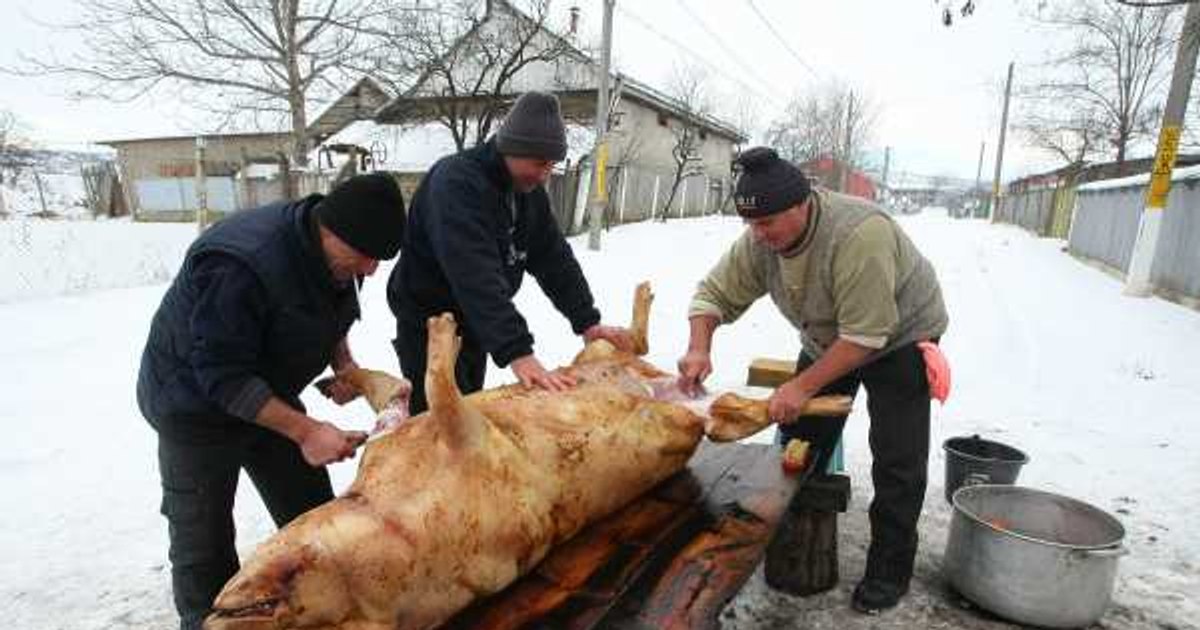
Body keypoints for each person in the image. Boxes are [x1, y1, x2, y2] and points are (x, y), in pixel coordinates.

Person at [677, 147, 949, 614]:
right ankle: (791, 539)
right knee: (799, 444)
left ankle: (890, 569)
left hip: (899, 337)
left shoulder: (859, 235)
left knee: (897, 460)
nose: (758, 237)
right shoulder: (762, 236)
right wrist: (700, 345)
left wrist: (802, 387)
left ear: (803, 203)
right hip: (828, 337)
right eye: (750, 226)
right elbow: (712, 293)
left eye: (766, 225)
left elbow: (866, 336)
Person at [136, 173, 406, 629]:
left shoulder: (334, 253)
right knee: (203, 543)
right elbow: (221, 377)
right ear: (333, 232)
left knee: (314, 515)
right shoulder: (239, 264)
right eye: (365, 258)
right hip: (193, 405)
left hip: (265, 390)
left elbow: (335, 308)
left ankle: (320, 612)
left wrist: (344, 366)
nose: (370, 271)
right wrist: (306, 431)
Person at [386, 91, 631, 413]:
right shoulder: (456, 184)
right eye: (540, 163)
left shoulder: (528, 194)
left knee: (471, 411)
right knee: (438, 424)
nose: (545, 175)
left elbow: (554, 259)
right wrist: (518, 352)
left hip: (475, 323)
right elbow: (475, 274)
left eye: (552, 165)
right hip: (428, 324)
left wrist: (586, 321)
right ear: (512, 148)